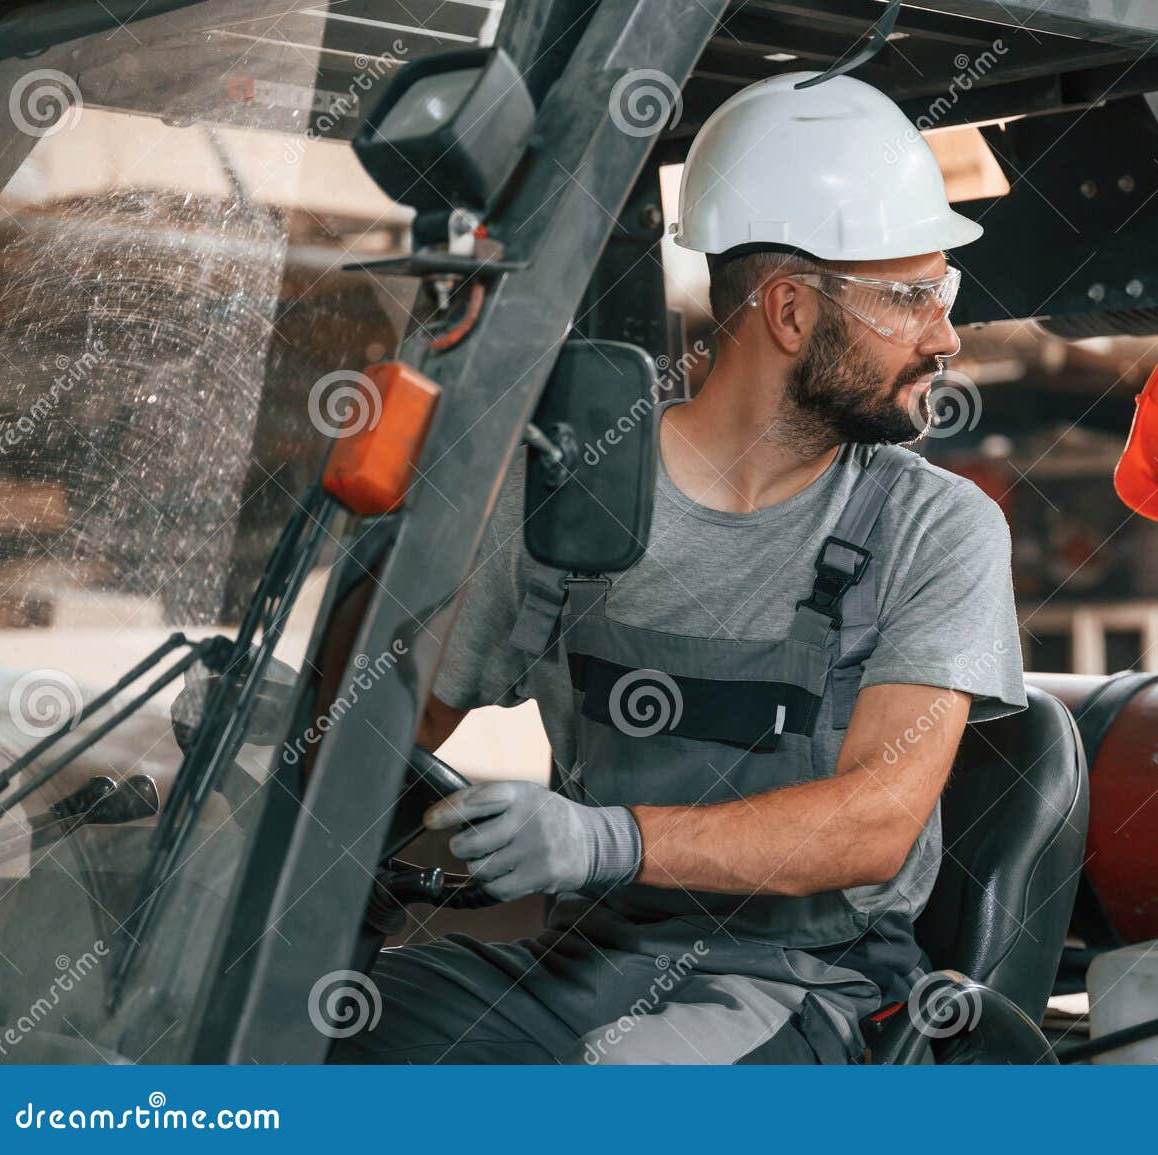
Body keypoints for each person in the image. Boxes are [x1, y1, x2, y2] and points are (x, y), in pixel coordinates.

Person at [333, 71, 1025, 1065]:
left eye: (940, 293)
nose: (945, 335)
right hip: (578, 953)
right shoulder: (570, 492)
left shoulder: (933, 526)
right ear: (790, 312)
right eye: (913, 297)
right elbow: (399, 712)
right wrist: (291, 732)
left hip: (804, 979)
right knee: (319, 1024)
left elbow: (875, 821)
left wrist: (602, 840)